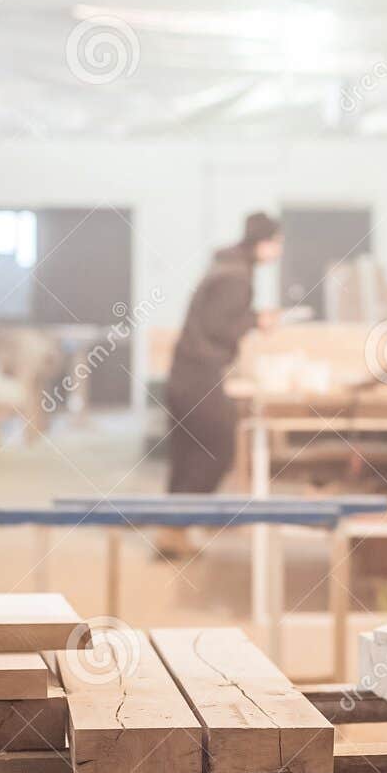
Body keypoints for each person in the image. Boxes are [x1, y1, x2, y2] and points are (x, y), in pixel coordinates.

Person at [159, 212, 283, 554]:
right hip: (199, 374)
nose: (279, 251)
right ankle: (177, 526)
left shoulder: (225, 266)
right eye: (277, 243)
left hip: (183, 372)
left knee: (186, 455)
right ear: (264, 242)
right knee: (219, 449)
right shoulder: (237, 277)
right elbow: (218, 327)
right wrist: (258, 320)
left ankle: (172, 533)